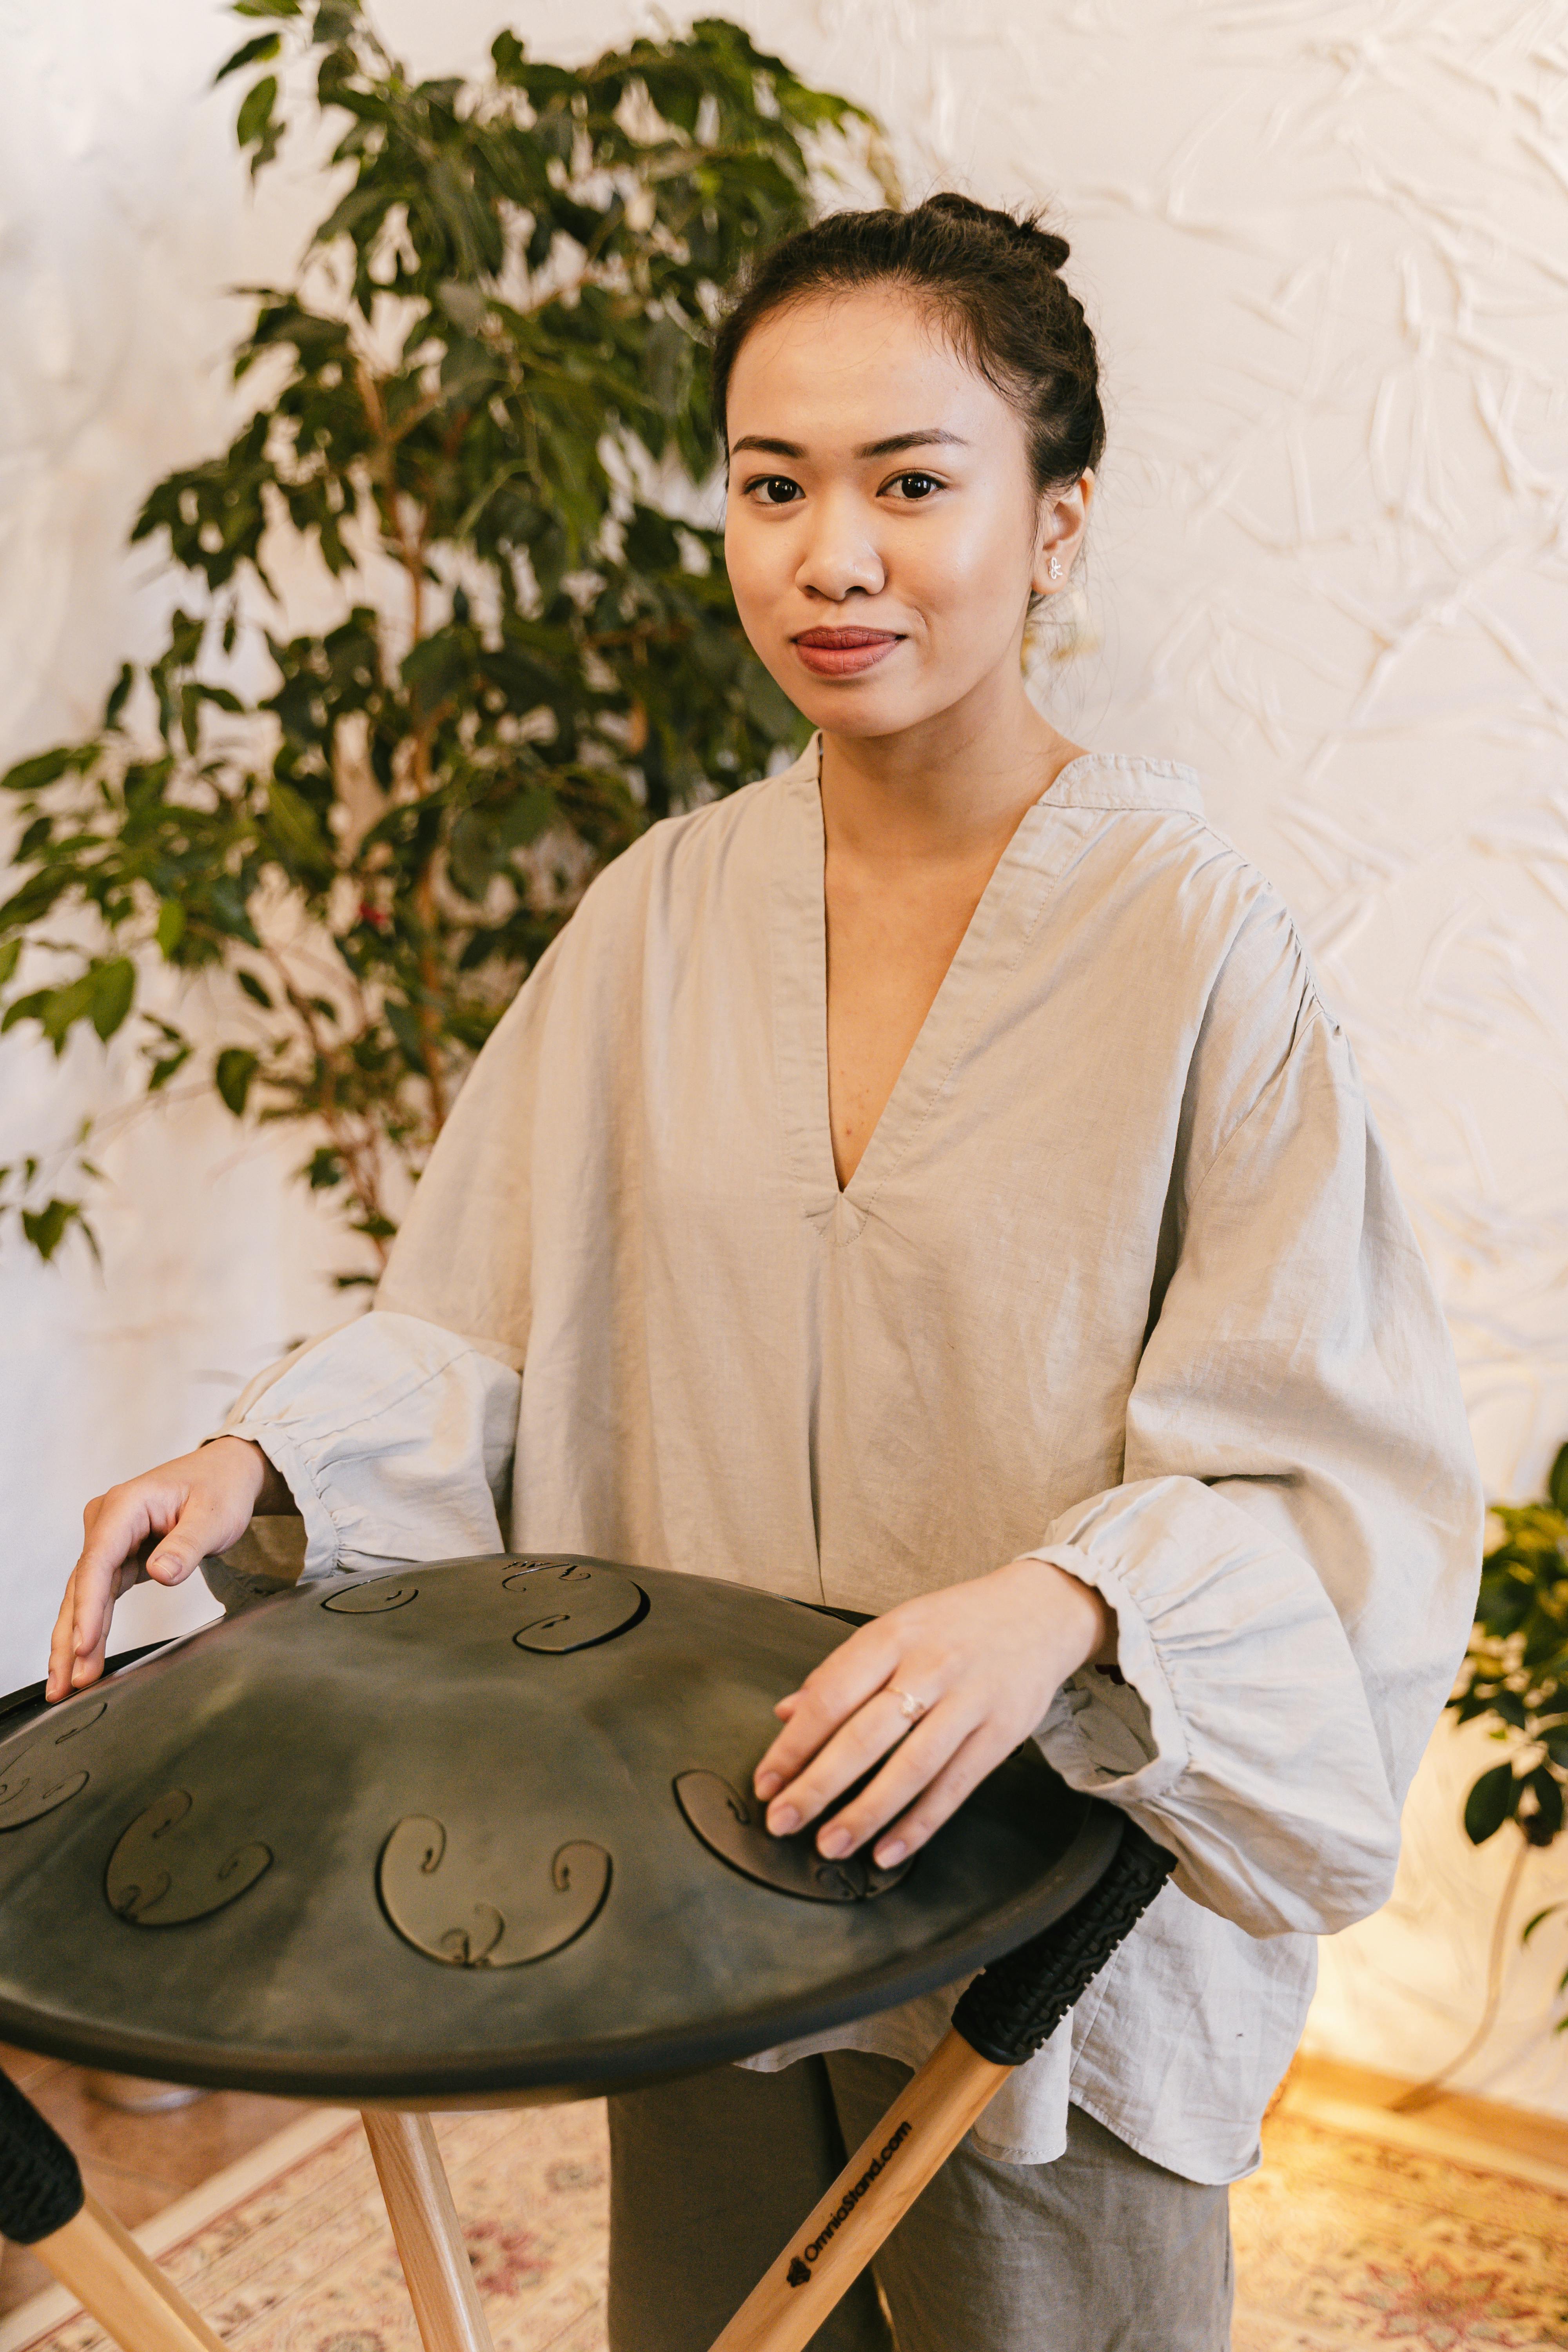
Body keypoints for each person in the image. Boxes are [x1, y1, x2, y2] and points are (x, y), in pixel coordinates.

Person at [47, 195, 1481, 2352]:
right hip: (690, 1880)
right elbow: (491, 1340)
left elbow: (1340, 1485)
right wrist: (266, 1467)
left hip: (1038, 1927)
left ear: (1056, 520)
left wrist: (1070, 1603)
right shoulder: (657, 916)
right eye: (773, 485)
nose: (833, 559)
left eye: (911, 483)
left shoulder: (1197, 947)